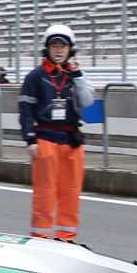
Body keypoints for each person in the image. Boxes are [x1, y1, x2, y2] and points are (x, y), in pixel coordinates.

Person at [17, 24, 87, 242]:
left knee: (71, 191)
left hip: (71, 140)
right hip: (45, 138)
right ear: (47, 49)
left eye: (63, 46)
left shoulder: (74, 77)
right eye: (54, 45)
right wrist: (29, 138)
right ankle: (41, 236)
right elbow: (26, 110)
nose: (59, 50)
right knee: (45, 192)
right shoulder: (35, 77)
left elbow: (88, 102)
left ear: (70, 50)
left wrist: (78, 76)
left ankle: (67, 237)